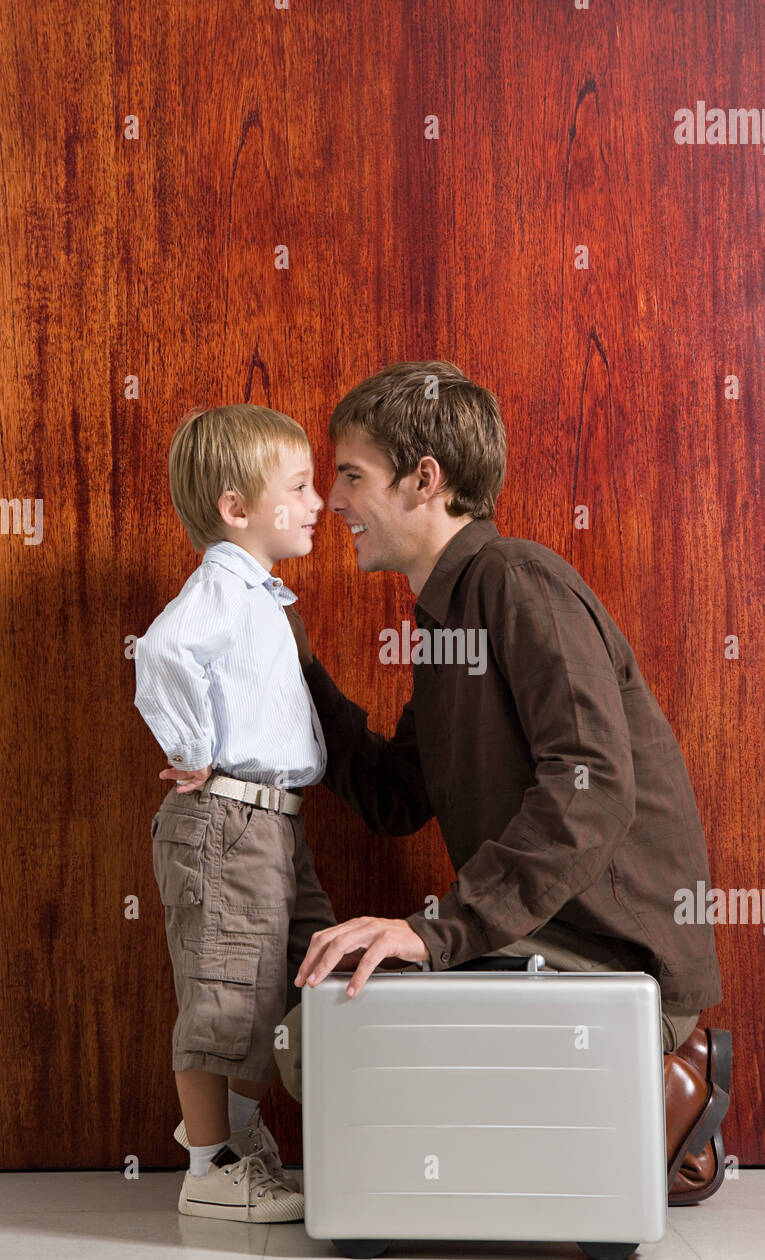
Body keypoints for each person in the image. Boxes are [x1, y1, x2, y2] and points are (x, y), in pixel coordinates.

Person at [273, 361, 730, 1201]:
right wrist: (291, 662)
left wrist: (438, 932)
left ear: (425, 481)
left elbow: (588, 790)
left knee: (325, 1041)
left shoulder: (515, 579)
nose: (333, 501)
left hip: (609, 964)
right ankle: (613, 1112)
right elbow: (392, 795)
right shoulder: (447, 620)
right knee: (315, 1035)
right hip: (538, 945)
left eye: (350, 475)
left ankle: (657, 1085)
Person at [134, 404, 339, 1222]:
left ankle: (239, 1148)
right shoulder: (221, 585)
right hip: (228, 819)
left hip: (272, 822)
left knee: (265, 984)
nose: (319, 500)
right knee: (223, 988)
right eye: (299, 487)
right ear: (235, 508)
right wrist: (193, 744)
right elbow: (161, 650)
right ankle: (208, 1166)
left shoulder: (259, 593)